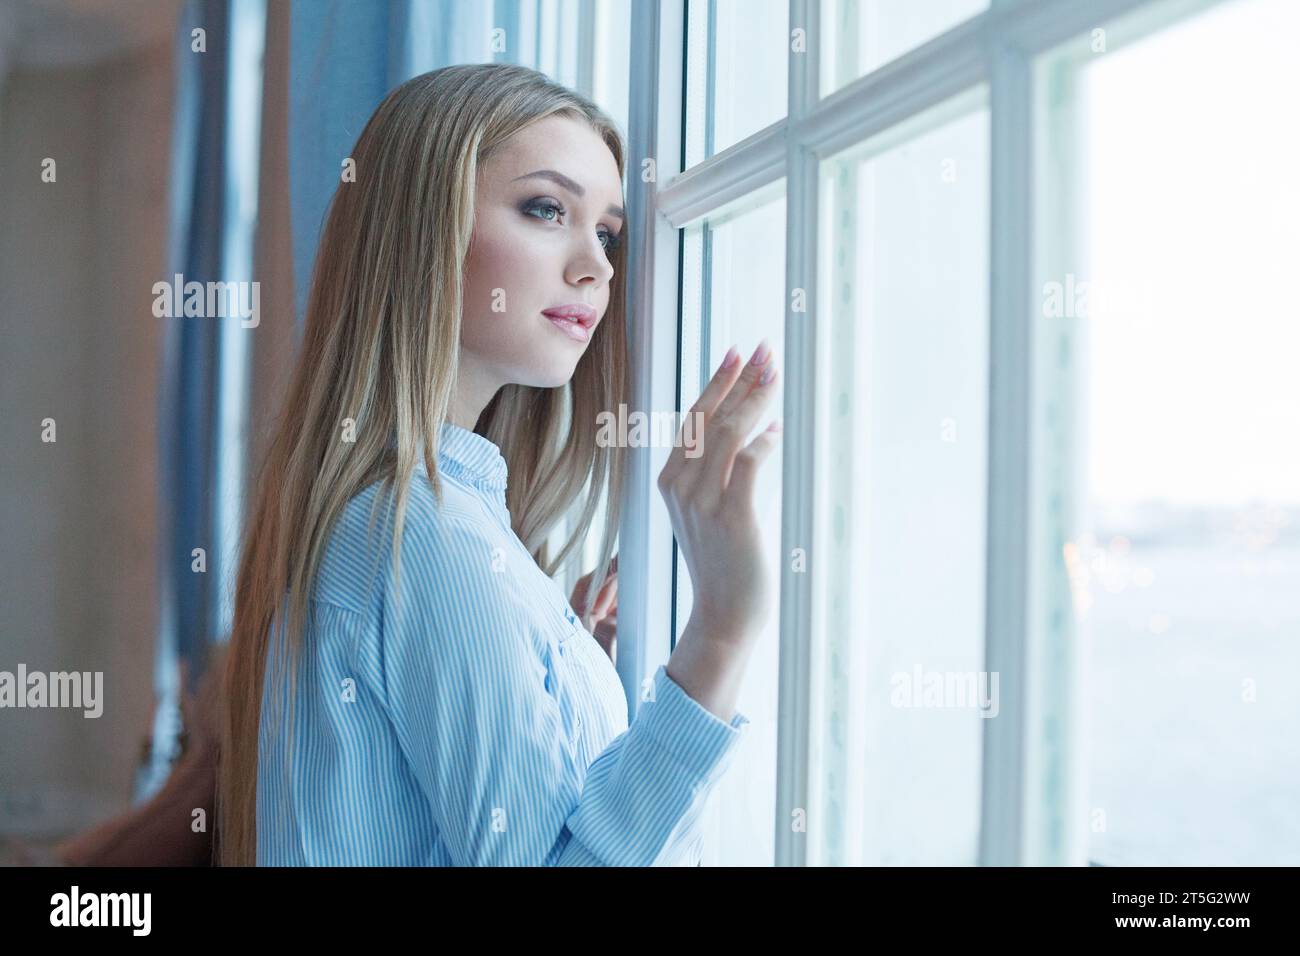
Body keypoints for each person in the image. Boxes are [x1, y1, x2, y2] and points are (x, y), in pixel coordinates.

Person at [219, 63, 782, 866]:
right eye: (547, 209)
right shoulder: (422, 535)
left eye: (610, 233)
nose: (599, 267)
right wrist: (722, 630)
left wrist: (558, 662)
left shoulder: (403, 518)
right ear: (423, 227)